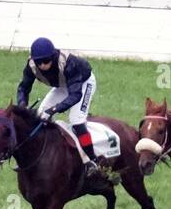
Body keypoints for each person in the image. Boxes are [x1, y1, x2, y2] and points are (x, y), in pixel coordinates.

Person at [16, 37, 105, 179]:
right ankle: (40, 154)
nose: (42, 65)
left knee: (76, 120)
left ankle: (93, 161)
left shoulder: (69, 63)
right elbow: (23, 88)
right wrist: (22, 106)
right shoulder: (31, 65)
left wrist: (54, 109)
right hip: (63, 85)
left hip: (82, 82)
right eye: (39, 62)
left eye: (46, 61)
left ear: (53, 56)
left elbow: (75, 95)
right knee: (39, 116)